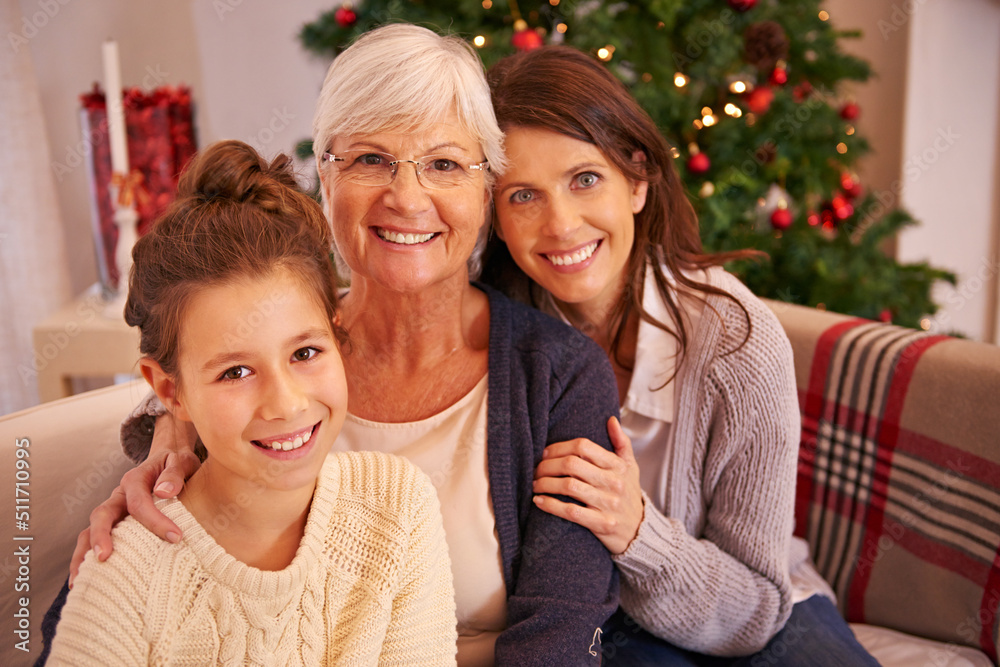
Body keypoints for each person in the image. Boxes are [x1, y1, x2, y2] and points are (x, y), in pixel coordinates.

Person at [47, 25, 619, 667]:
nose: (407, 197)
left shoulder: (558, 375)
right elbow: (85, 629)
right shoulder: (268, 367)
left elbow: (564, 634)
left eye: (445, 164)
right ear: (324, 171)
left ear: (486, 189)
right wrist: (167, 436)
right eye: (371, 159)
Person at [481, 46, 881, 666]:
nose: (560, 224)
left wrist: (637, 530)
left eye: (585, 179)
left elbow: (755, 611)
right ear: (495, 218)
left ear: (637, 180)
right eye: (522, 196)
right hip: (601, 619)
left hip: (753, 606)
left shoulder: (738, 345)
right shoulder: (496, 329)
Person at [46, 140, 457, 665]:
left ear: (336, 335)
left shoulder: (395, 507)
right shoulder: (126, 575)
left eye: (305, 352)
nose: (285, 404)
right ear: (170, 390)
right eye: (235, 372)